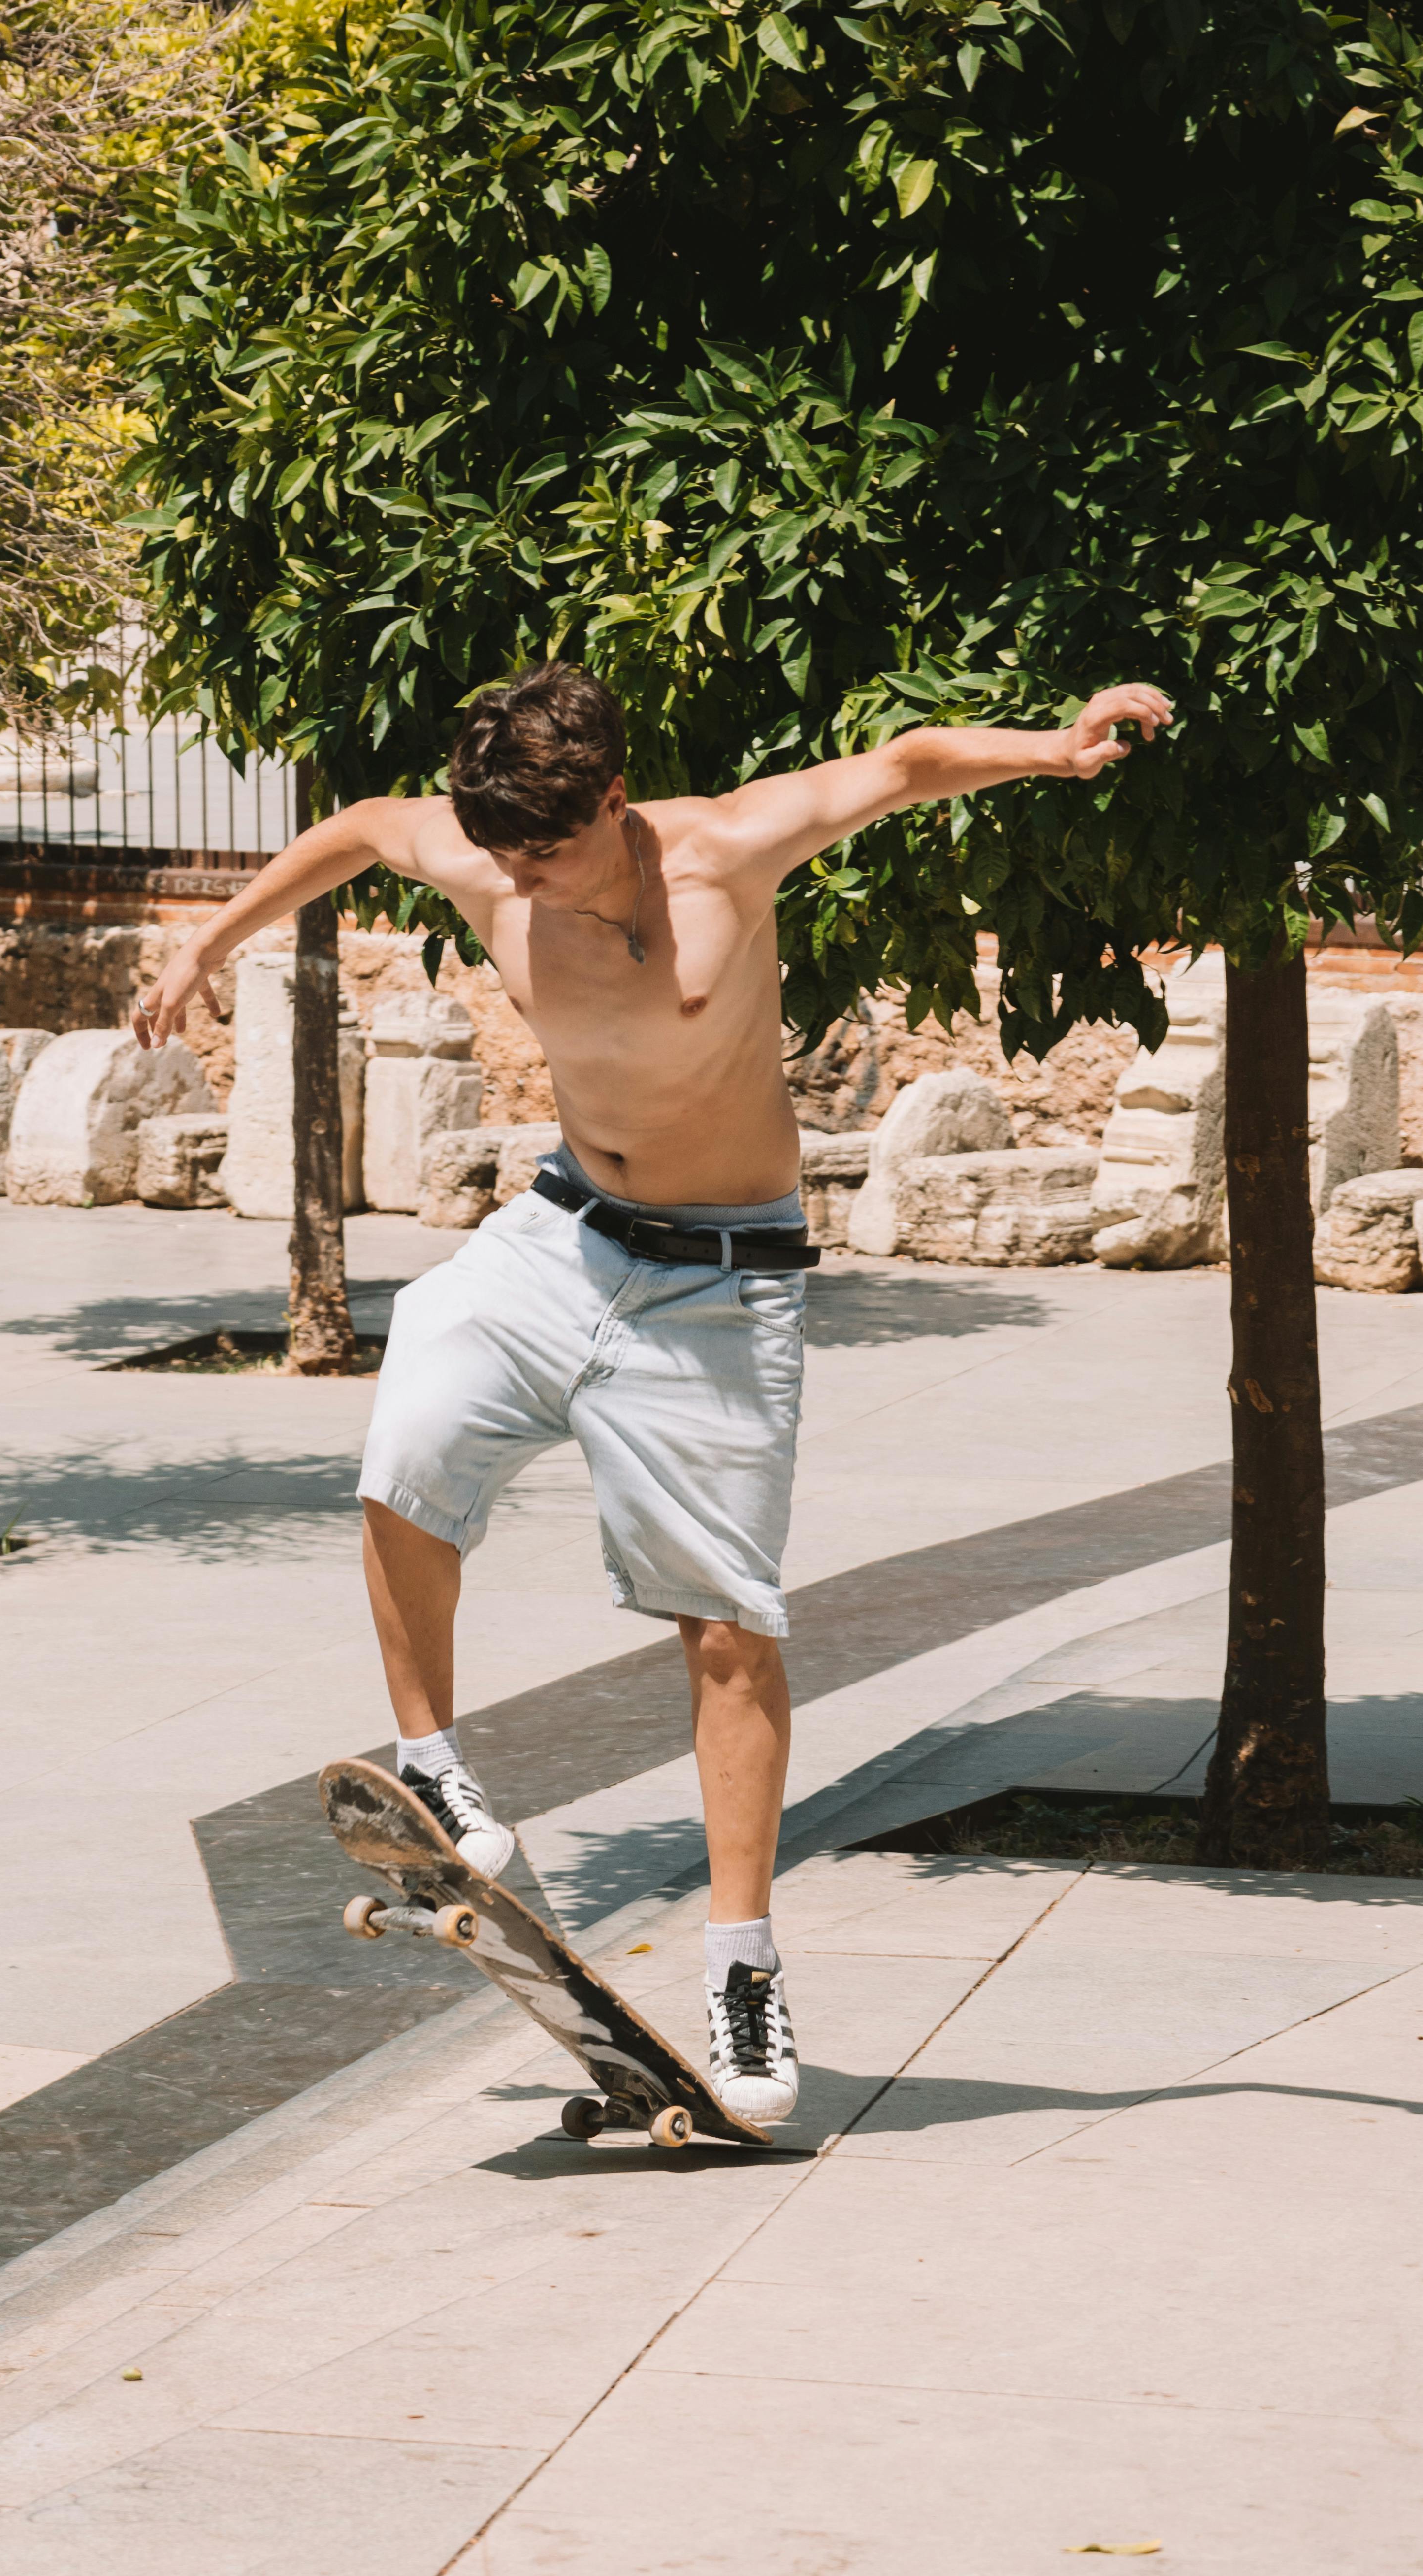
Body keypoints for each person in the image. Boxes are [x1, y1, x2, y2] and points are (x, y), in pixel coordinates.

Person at [135, 663, 1171, 2123]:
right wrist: (204, 946)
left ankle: (743, 1970)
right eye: (497, 854)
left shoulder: (727, 849)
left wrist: (1056, 753)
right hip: (562, 1238)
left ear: (612, 802)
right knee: (411, 1419)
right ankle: (435, 1768)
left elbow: (907, 760)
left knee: (729, 1629)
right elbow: (362, 826)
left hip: (725, 1287)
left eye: (543, 854)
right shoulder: (486, 858)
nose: (516, 883)